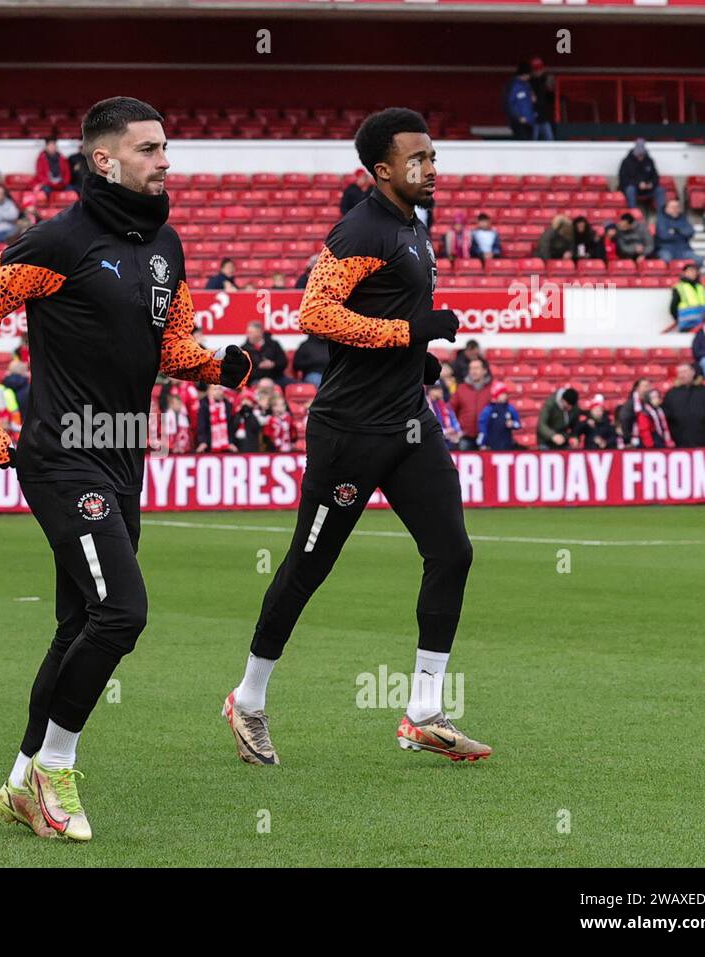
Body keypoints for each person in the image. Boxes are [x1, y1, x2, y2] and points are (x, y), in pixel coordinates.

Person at [0, 96, 252, 841]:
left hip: (123, 455)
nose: (165, 161)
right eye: (149, 149)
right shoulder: (56, 242)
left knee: (80, 620)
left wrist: (221, 366)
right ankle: (56, 769)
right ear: (104, 160)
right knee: (122, 611)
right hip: (63, 455)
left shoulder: (166, 247)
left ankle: (21, 780)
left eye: (165, 147)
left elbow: (171, 346)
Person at [223, 107, 485, 770]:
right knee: (309, 567)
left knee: (452, 552)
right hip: (349, 431)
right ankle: (247, 698)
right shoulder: (364, 226)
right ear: (382, 170)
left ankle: (423, 710)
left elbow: (383, 312)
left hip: (408, 421)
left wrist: (412, 355)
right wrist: (409, 333)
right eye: (417, 158)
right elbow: (314, 312)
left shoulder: (410, 224)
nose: (431, 167)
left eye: (433, 155)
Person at [450, 356, 493, 450]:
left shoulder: (492, 388)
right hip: (465, 436)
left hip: (487, 437)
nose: (474, 371)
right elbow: (451, 410)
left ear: (484, 370)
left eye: (477, 368)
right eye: (471, 368)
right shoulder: (461, 388)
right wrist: (457, 428)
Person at [618, 139, 665, 212]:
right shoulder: (626, 162)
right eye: (639, 154)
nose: (641, 156)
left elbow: (655, 176)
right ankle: (633, 213)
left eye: (642, 154)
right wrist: (638, 184)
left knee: (660, 190)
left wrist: (651, 184)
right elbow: (623, 179)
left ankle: (662, 214)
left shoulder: (649, 161)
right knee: (630, 190)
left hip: (647, 188)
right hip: (633, 188)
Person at [655, 198, 702, 266]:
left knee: (699, 260)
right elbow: (664, 236)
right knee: (665, 259)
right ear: (666, 209)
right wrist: (681, 233)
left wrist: (676, 230)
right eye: (672, 207)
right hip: (666, 249)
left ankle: (690, 276)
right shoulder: (661, 220)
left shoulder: (683, 219)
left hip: (684, 249)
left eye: (677, 207)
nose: (675, 209)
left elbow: (691, 232)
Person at [666, 262, 705, 333]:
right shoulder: (679, 287)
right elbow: (673, 307)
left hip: (702, 324)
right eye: (690, 271)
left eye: (694, 271)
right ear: (684, 273)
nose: (693, 273)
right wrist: (679, 320)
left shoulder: (701, 287)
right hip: (687, 326)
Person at [477, 382, 521, 450]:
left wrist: (512, 424)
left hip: (506, 445)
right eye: (502, 394)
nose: (505, 396)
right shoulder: (488, 410)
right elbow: (483, 428)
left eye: (505, 394)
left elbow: (518, 424)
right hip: (491, 445)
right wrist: (482, 443)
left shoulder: (509, 408)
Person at [503, 62, 536, 140]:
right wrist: (518, 118)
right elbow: (509, 104)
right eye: (528, 74)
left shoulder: (527, 85)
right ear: (524, 74)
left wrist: (532, 98)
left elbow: (529, 102)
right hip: (519, 122)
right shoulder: (513, 85)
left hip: (529, 122)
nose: (529, 77)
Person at [427, 382, 462, 450]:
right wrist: (445, 431)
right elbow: (429, 424)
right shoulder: (426, 405)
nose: (440, 391)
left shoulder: (445, 405)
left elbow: (453, 420)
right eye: (436, 389)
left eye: (440, 388)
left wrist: (457, 431)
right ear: (430, 391)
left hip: (448, 442)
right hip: (433, 441)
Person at [528, 57, 555, 140]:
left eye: (539, 69)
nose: (538, 71)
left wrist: (551, 88)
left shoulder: (546, 79)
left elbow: (551, 98)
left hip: (544, 116)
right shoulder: (528, 82)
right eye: (536, 69)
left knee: (549, 139)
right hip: (532, 116)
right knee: (533, 140)